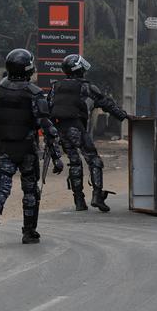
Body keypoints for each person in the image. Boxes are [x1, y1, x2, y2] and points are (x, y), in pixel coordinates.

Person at [0, 48, 64, 247]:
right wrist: (56, 156)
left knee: (1, 190)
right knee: (30, 192)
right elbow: (46, 125)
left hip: (5, 149)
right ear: (28, 69)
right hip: (27, 150)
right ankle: (29, 232)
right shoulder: (34, 94)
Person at [48, 54, 128, 212]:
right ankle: (97, 196)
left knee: (75, 162)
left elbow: (48, 107)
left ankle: (79, 201)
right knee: (94, 161)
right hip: (76, 127)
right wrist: (123, 115)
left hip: (60, 130)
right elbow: (106, 103)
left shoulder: (56, 86)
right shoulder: (86, 86)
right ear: (79, 68)